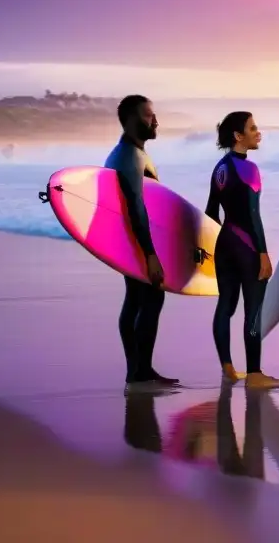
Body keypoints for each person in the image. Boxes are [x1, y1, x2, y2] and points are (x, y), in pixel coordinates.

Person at [204, 111, 279, 389]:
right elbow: (253, 214)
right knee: (254, 310)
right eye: (252, 128)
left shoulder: (220, 168)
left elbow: (211, 213)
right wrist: (262, 253)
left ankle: (228, 366)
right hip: (246, 245)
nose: (257, 132)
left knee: (225, 305)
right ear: (238, 136)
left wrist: (207, 248)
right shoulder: (248, 169)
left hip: (224, 243)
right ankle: (254, 373)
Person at [104, 95, 179, 392]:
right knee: (149, 299)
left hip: (129, 240)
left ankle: (138, 371)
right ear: (133, 120)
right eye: (149, 116)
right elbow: (136, 207)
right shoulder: (130, 157)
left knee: (137, 300)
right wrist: (150, 254)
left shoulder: (128, 153)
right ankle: (139, 373)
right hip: (135, 242)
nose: (156, 120)